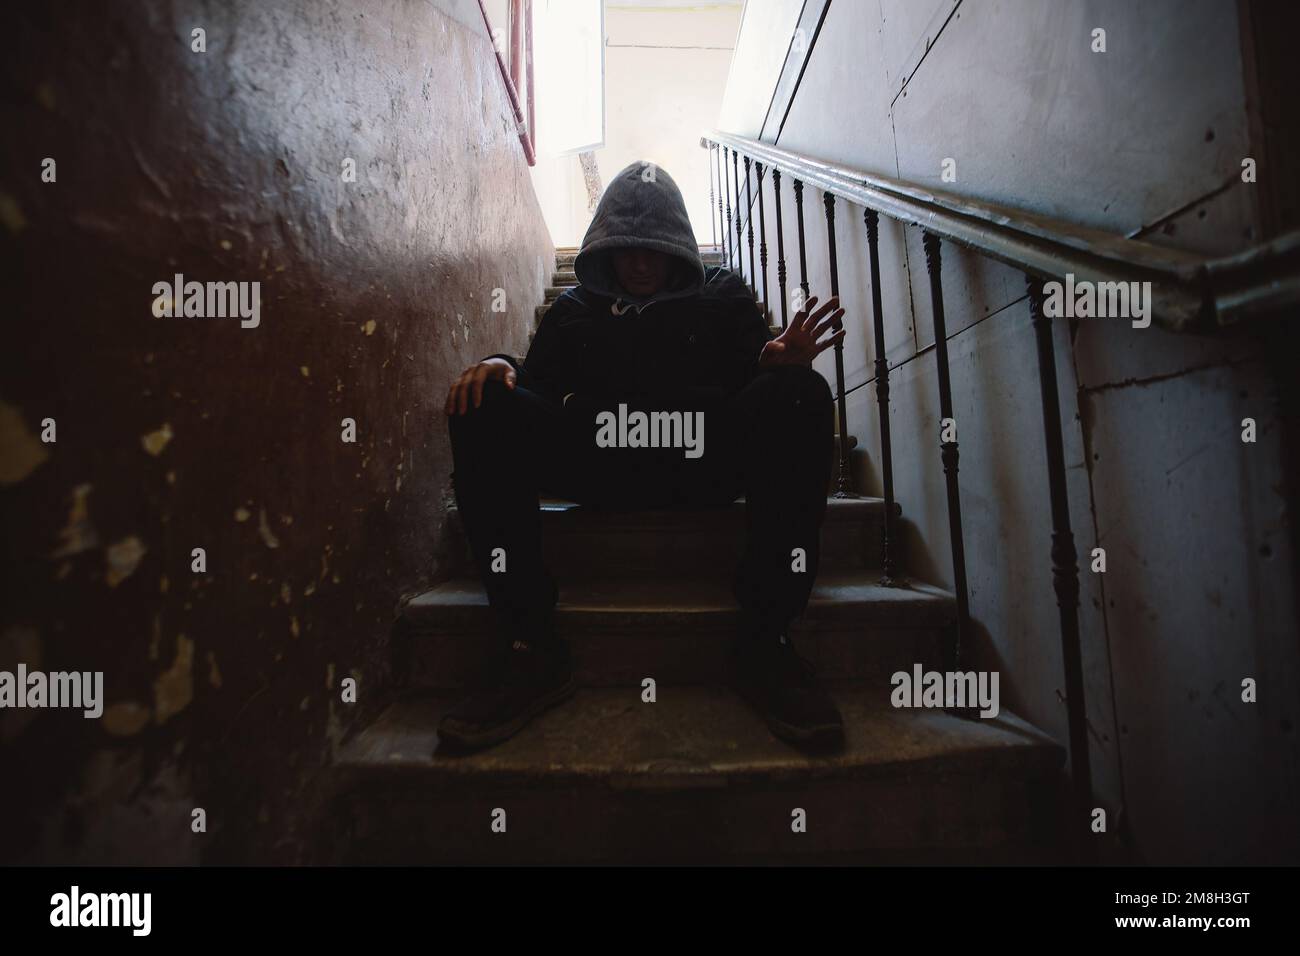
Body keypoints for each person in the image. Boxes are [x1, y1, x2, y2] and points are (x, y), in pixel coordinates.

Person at [439, 161, 846, 753]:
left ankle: (766, 640)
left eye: (654, 250)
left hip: (700, 460)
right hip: (602, 461)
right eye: (628, 249)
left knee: (802, 394)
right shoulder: (573, 309)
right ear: (607, 247)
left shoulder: (724, 294)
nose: (640, 264)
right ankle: (531, 645)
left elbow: (751, 385)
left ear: (678, 247)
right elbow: (540, 385)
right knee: (481, 403)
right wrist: (503, 364)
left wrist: (772, 366)